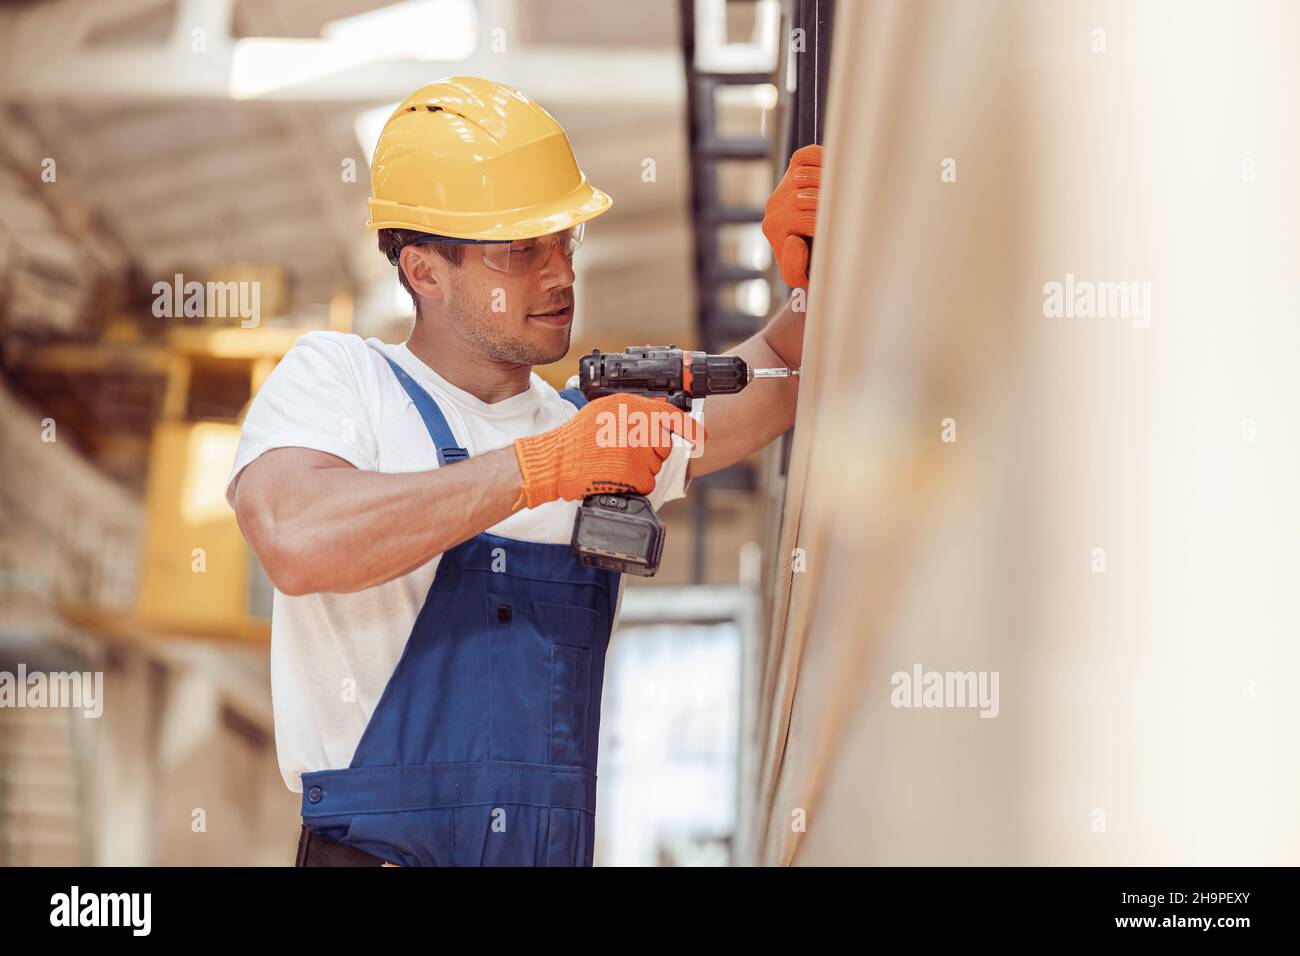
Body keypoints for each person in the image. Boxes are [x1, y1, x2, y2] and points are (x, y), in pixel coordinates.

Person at [226, 76, 821, 866]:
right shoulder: (345, 379)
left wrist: (821, 272)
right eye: (520, 249)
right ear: (423, 271)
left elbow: (776, 376)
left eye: (564, 240)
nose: (559, 274)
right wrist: (542, 468)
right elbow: (294, 536)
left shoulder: (595, 428)